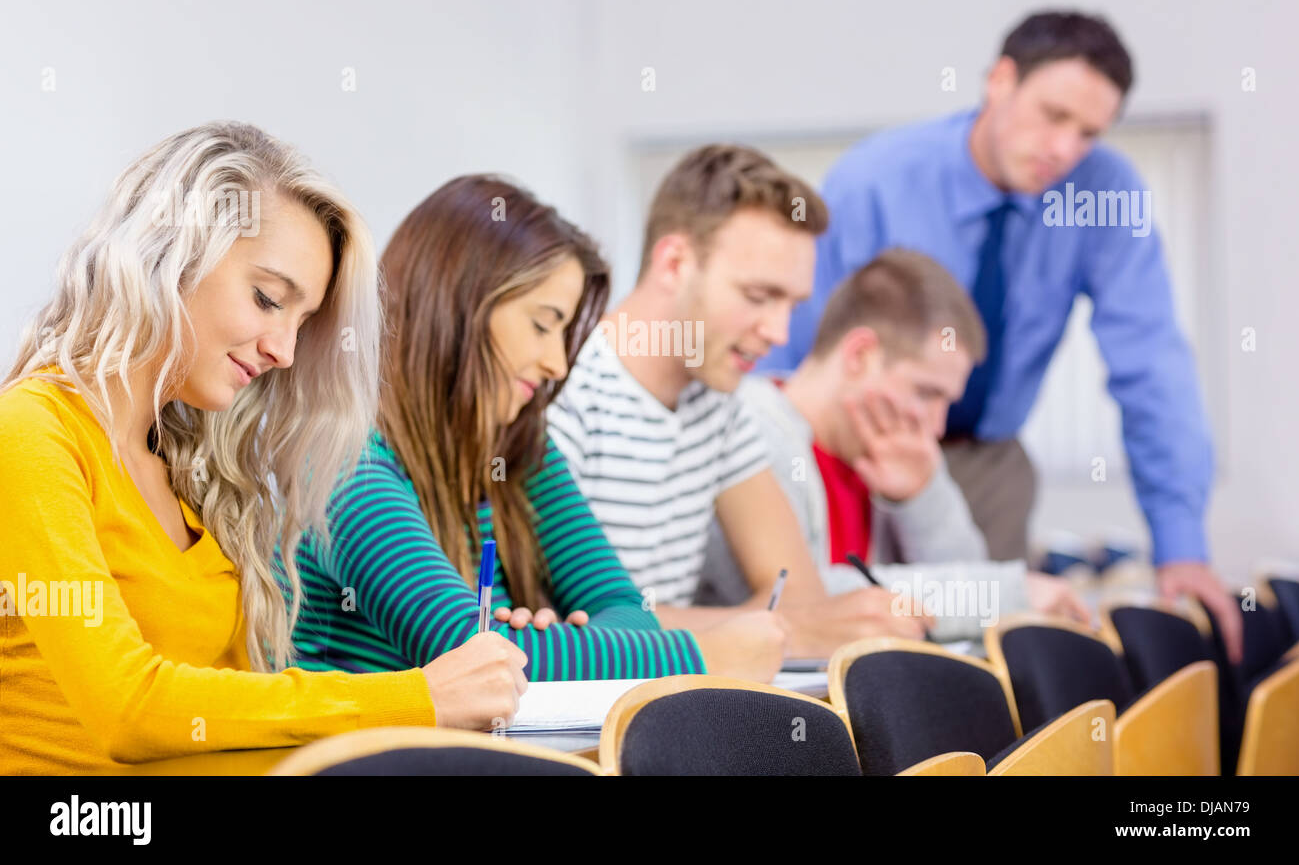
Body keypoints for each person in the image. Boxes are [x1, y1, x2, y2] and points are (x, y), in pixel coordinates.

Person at [0, 123, 526, 774]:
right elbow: (130, 710)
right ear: (170, 255)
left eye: (302, 321)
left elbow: (236, 716)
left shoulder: (184, 470)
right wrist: (418, 697)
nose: (285, 351)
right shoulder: (30, 433)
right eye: (267, 299)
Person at [761, 10, 1241, 660]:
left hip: (990, 458)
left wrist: (1182, 547)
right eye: (1053, 115)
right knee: (860, 639)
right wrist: (776, 453)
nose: (1064, 148)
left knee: (989, 655)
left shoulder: (1103, 193)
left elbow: (1152, 365)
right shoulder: (876, 180)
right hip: (859, 442)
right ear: (1000, 81)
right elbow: (803, 347)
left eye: (1088, 133)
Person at [284, 175, 785, 683]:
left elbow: (627, 609)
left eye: (563, 334)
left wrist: (554, 648)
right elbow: (472, 655)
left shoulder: (521, 452)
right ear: (457, 308)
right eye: (543, 324)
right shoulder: (345, 467)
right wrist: (705, 656)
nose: (556, 364)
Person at [548, 144, 932, 660]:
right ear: (674, 263)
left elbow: (797, 595)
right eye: (757, 296)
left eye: (791, 304)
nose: (778, 333)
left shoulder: (718, 402)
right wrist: (789, 631)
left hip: (673, 693)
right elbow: (556, 628)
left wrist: (779, 625)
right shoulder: (561, 388)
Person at [698, 249, 1089, 638]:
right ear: (860, 355)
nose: (937, 426)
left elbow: (971, 599)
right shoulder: (751, 428)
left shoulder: (889, 450)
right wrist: (1005, 596)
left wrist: (923, 499)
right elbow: (803, 601)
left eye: (946, 403)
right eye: (926, 393)